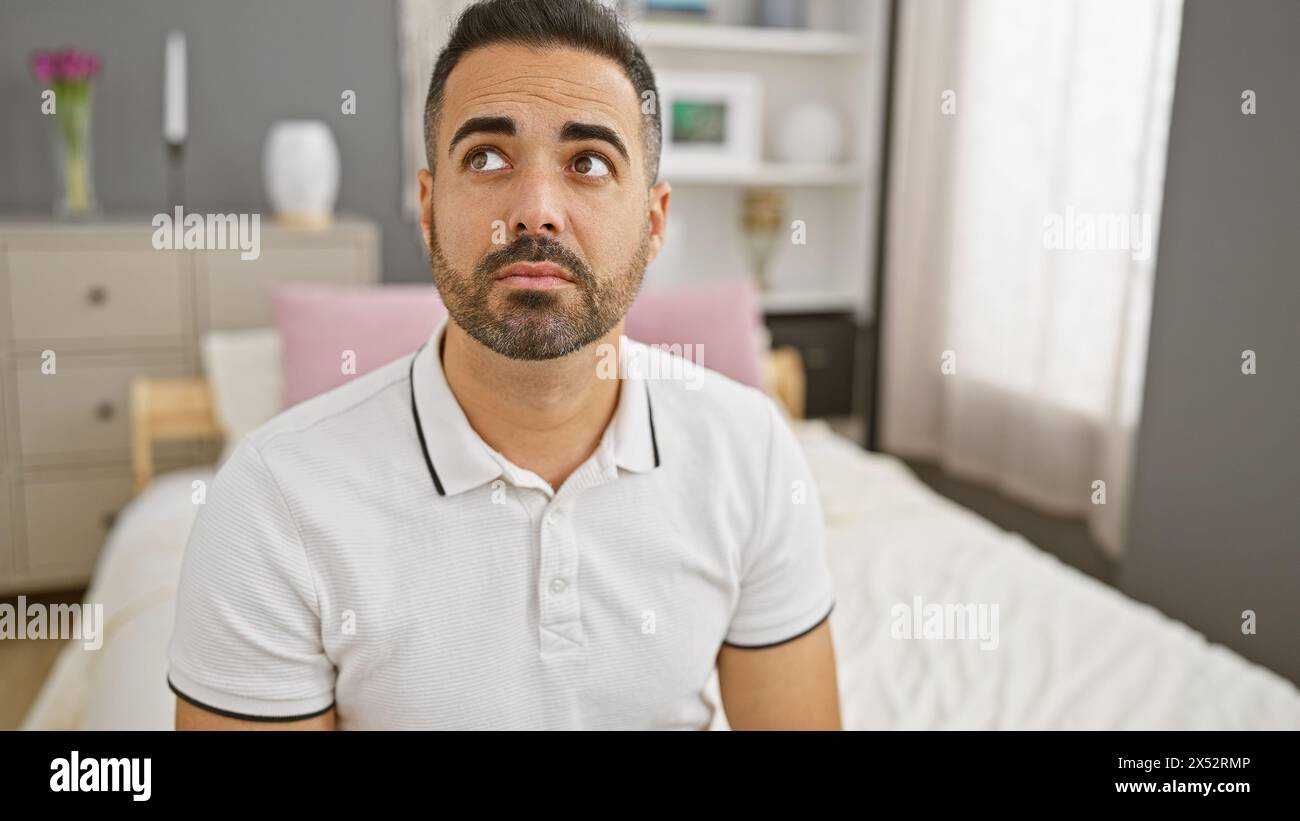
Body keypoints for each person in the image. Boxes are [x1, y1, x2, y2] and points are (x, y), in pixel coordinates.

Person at [168, 0, 839, 730]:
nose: (535, 211)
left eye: (588, 162)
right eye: (486, 157)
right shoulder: (274, 504)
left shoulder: (755, 451)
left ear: (653, 223)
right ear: (428, 210)